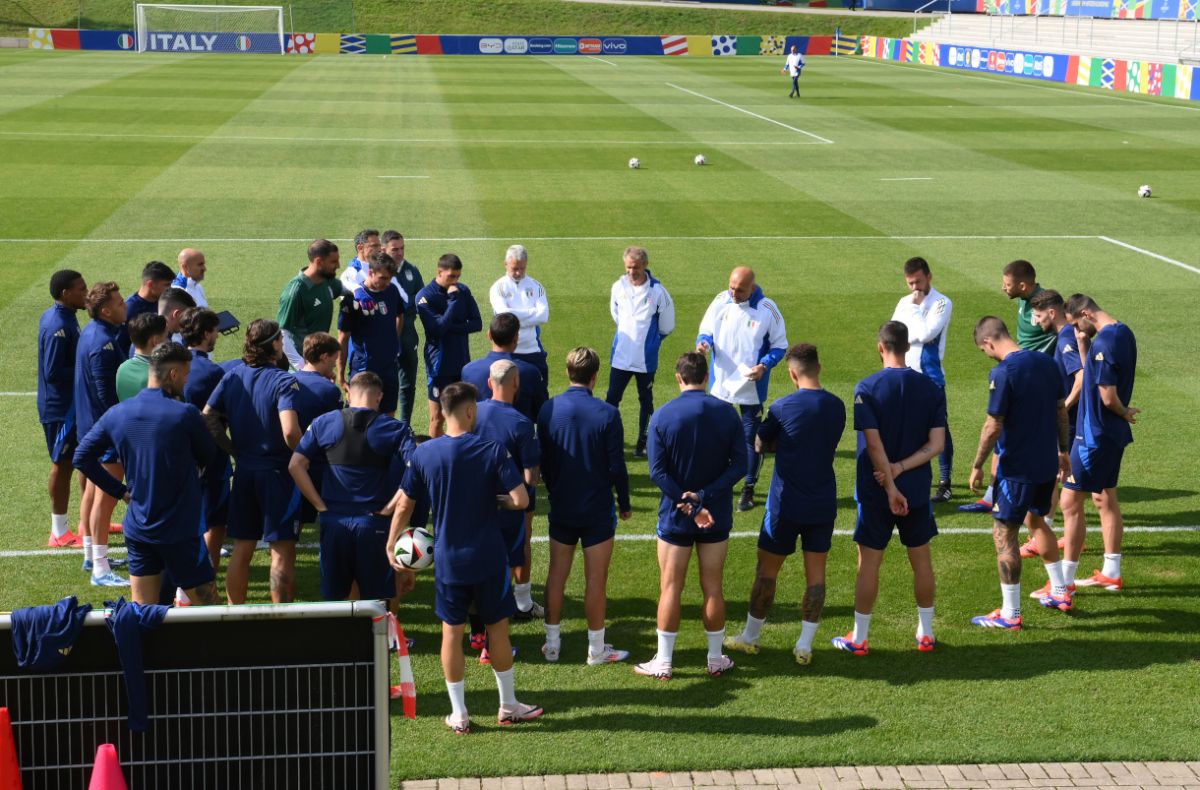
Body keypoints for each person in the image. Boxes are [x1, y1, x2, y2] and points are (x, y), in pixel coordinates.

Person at [386, 382, 543, 733]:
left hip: (449, 560)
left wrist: (392, 541)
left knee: (451, 634)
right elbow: (520, 500)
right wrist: (497, 500)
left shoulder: (424, 454)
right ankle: (508, 705)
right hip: (489, 557)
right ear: (471, 411)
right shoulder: (492, 450)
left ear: (441, 413)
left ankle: (459, 713)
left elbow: (405, 504)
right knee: (497, 631)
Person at [725, 343, 845, 665]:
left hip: (784, 504)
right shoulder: (837, 406)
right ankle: (804, 645)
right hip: (822, 503)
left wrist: (785, 444)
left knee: (766, 572)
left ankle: (751, 637)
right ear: (818, 367)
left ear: (792, 373)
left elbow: (760, 443)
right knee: (816, 577)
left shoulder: (781, 408)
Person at [74, 342, 220, 607]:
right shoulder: (185, 414)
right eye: (185, 375)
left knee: (144, 612)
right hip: (181, 531)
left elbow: (81, 457)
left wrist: (120, 492)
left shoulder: (117, 413)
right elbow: (209, 456)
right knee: (208, 610)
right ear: (173, 374)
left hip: (139, 528)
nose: (186, 382)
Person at [832, 321, 945, 655]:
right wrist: (902, 470)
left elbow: (874, 443)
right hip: (917, 488)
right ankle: (926, 634)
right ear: (907, 347)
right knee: (922, 561)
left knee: (868, 564)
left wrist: (889, 479)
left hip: (875, 490)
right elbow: (937, 444)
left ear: (881, 347)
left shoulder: (866, 388)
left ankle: (860, 637)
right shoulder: (931, 388)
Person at [636, 352, 745, 680]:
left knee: (670, 586)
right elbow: (740, 466)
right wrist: (704, 500)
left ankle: (665, 661)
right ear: (706, 375)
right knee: (713, 586)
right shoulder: (727, 413)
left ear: (678, 377)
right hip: (715, 516)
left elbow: (657, 472)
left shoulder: (662, 415)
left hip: (676, 515)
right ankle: (715, 658)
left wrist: (688, 503)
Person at [967, 318, 1074, 630]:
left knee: (1004, 532)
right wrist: (1063, 449)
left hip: (1017, 469)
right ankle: (1059, 592)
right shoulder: (1046, 363)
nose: (987, 355)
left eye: (983, 350)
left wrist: (977, 464)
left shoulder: (1003, 372)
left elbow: (993, 425)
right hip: (1045, 463)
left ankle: (1010, 613)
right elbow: (1060, 410)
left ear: (988, 342)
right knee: (1037, 521)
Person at [537, 348, 631, 666]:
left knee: (556, 576)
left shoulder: (548, 410)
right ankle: (596, 650)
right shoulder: (607, 413)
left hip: (562, 506)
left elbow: (545, 461)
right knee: (596, 581)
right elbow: (616, 467)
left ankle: (552, 645)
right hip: (597, 510)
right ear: (595, 376)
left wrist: (554, 488)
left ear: (568, 373)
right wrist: (625, 503)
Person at [291, 371, 415, 606]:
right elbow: (416, 471)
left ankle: (341, 642)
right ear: (379, 397)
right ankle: (379, 643)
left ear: (348, 392)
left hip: (333, 522)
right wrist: (392, 505)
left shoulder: (323, 422)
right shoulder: (394, 428)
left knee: (335, 600)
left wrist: (320, 505)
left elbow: (295, 465)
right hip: (374, 523)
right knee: (378, 601)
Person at [203, 319, 303, 604]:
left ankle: (236, 614)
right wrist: (303, 454)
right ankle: (282, 618)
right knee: (281, 548)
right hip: (277, 474)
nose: (283, 346)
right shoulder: (284, 381)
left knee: (242, 547)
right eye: (281, 341)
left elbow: (208, 415)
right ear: (273, 345)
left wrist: (233, 450)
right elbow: (290, 431)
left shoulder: (232, 376)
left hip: (245, 472)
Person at [962, 259, 1058, 514]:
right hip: (1020, 369)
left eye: (1007, 284)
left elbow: (1060, 323)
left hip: (1031, 377)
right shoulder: (1024, 300)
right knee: (1002, 433)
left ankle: (1043, 513)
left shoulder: (1042, 306)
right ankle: (993, 495)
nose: (1003, 288)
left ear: (1023, 285)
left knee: (1004, 429)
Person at [1059, 294, 1138, 594]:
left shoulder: (1104, 344)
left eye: (1077, 324)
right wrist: (1082, 345)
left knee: (1069, 502)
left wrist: (1123, 410)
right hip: (1108, 434)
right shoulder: (1122, 332)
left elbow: (1107, 394)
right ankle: (1111, 572)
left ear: (1085, 314)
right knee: (1105, 498)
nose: (1076, 330)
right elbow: (1093, 371)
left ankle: (1063, 582)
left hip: (1094, 434)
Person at [696, 266, 788, 513]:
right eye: (732, 287)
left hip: (751, 387)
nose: (734, 293)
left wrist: (764, 366)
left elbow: (780, 347)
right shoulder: (720, 300)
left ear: (753, 287)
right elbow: (705, 331)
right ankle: (715, 485)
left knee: (751, 440)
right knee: (716, 436)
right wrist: (703, 344)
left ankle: (748, 488)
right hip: (721, 385)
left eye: (740, 290)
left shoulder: (768, 309)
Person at [472, 360, 543, 654]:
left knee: (477, 568)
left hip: (473, 505)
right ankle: (492, 643)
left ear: (489, 383)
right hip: (508, 510)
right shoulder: (522, 423)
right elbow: (531, 477)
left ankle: (477, 634)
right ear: (516, 384)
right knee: (501, 572)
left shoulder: (471, 413)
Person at [1021, 289, 1085, 561]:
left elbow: (1082, 378)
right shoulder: (1065, 337)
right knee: (1063, 481)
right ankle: (1049, 533)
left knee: (1063, 479)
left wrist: (1063, 407)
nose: (1036, 322)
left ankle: (1047, 535)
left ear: (1052, 312)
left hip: (1070, 423)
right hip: (1070, 421)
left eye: (1038, 315)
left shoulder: (1066, 339)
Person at [74, 281, 129, 586]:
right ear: (106, 311)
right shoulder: (104, 343)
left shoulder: (93, 333)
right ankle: (100, 569)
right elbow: (106, 394)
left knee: (93, 493)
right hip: (105, 432)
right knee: (105, 499)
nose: (126, 306)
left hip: (90, 427)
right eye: (121, 303)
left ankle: (90, 555)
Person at [891, 257, 954, 503]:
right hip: (905, 374)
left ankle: (945, 481)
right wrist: (914, 329)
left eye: (918, 282)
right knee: (906, 426)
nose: (914, 288)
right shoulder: (904, 302)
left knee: (939, 429)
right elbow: (894, 331)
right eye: (910, 283)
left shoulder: (941, 302)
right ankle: (912, 473)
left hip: (930, 377)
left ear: (929, 276)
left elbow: (928, 334)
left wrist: (915, 312)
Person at [606, 246, 675, 458]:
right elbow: (615, 313)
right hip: (621, 357)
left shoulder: (658, 292)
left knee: (646, 400)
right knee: (611, 399)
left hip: (646, 359)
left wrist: (652, 342)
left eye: (635, 267)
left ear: (645, 265)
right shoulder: (618, 287)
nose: (631, 271)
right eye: (628, 267)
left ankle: (643, 441)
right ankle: (608, 439)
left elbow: (667, 325)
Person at [179, 307, 232, 572]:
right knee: (215, 520)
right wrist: (232, 449)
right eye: (214, 331)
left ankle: (184, 579)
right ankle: (205, 576)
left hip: (178, 456)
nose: (217, 336)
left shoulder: (170, 366)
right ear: (204, 333)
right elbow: (221, 418)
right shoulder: (213, 373)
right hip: (211, 459)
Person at [39, 269, 88, 548]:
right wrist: (87, 364)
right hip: (60, 409)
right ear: (65, 294)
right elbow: (53, 371)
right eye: (81, 289)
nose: (86, 292)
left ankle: (87, 522)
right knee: (63, 464)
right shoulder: (58, 324)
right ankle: (59, 532)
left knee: (81, 459)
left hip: (71, 405)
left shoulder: (66, 317)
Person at [416, 253, 482, 437]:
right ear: (439, 272)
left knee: (464, 415)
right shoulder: (425, 297)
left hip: (462, 364)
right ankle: (435, 460)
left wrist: (449, 327)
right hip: (439, 366)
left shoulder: (463, 291)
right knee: (437, 418)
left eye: (458, 276)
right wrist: (453, 302)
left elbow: (477, 324)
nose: (455, 281)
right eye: (451, 276)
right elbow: (437, 330)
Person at [337, 252, 403, 416]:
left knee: (388, 416)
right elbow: (343, 339)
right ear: (371, 272)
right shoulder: (352, 300)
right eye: (383, 278)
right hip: (364, 368)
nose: (387, 283)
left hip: (389, 367)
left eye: (389, 278)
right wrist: (340, 374)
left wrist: (393, 341)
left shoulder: (392, 291)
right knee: (360, 418)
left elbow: (400, 315)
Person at [293, 332, 345, 529]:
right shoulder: (329, 391)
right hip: (317, 465)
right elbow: (336, 434)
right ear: (324, 357)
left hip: (287, 462)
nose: (335, 364)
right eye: (334, 358)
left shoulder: (287, 380)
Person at [460, 313, 548, 422]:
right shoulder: (530, 372)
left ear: (489, 335)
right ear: (516, 338)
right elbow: (542, 412)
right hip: (519, 435)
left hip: (481, 436)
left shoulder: (469, 371)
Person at [277, 239, 345, 369]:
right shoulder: (296, 291)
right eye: (334, 261)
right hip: (303, 366)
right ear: (319, 262)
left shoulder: (325, 281)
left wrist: (359, 293)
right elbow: (283, 333)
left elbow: (343, 288)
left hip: (320, 361)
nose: (338, 265)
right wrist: (301, 367)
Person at [489, 244, 550, 384]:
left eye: (522, 268)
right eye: (515, 268)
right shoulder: (498, 288)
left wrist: (513, 315)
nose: (518, 272)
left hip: (532, 350)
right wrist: (531, 314)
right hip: (506, 353)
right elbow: (503, 315)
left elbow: (543, 316)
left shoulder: (536, 286)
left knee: (540, 393)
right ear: (505, 264)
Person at [382, 230, 425, 426]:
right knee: (381, 382)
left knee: (407, 383)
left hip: (407, 336)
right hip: (382, 337)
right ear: (384, 250)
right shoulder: (377, 272)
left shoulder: (412, 271)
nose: (399, 253)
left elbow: (422, 301)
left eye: (402, 248)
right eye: (394, 249)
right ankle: (380, 423)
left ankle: (405, 426)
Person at [122, 261, 174, 356]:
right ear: (151, 284)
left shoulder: (163, 302)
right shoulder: (130, 309)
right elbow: (122, 346)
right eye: (167, 285)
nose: (170, 289)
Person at [116, 313, 167, 402]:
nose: (168, 342)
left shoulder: (122, 369)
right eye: (166, 337)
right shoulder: (158, 375)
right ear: (155, 341)